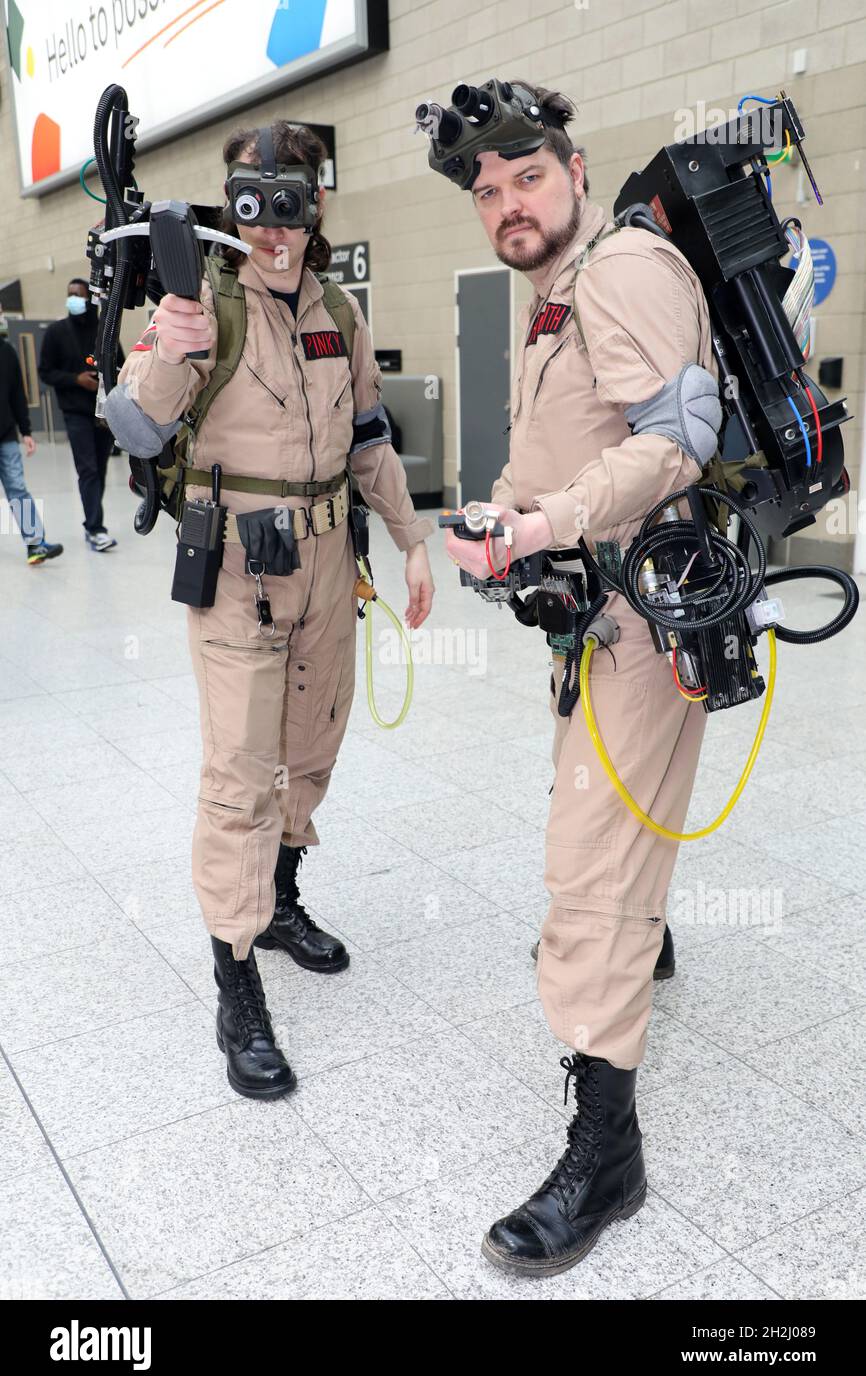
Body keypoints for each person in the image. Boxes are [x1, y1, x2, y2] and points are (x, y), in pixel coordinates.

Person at [430, 81, 719, 1276]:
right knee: (594, 828)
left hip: (643, 619)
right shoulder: (555, 294)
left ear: (574, 166)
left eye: (525, 176)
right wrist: (502, 509)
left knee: (584, 867)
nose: (506, 203)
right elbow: (573, 438)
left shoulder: (621, 269)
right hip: (592, 614)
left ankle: (606, 1153)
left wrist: (543, 519)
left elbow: (678, 438)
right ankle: (632, 939)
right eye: (488, 192)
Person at [112, 120, 434, 1101]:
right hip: (238, 574)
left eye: (291, 199)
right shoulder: (206, 304)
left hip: (330, 564)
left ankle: (282, 902)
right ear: (232, 203)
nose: (274, 225)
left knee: (313, 746)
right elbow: (132, 420)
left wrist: (413, 540)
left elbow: (369, 437)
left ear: (317, 202)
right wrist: (167, 347)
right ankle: (234, 978)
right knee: (239, 771)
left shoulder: (338, 307)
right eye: (252, 201)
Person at [38, 277, 121, 551]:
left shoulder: (104, 333)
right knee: (87, 470)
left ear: (89, 299)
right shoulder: (56, 333)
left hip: (103, 414)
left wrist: (106, 380)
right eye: (69, 293)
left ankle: (92, 523)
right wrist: (76, 380)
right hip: (75, 413)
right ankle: (96, 528)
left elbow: (121, 366)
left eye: (79, 294)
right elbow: (46, 372)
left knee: (99, 469)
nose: (73, 298)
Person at [0, 327, 62, 565]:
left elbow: (16, 393)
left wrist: (26, 431)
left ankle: (35, 544)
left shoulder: (7, 351)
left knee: (17, 488)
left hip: (6, 436)